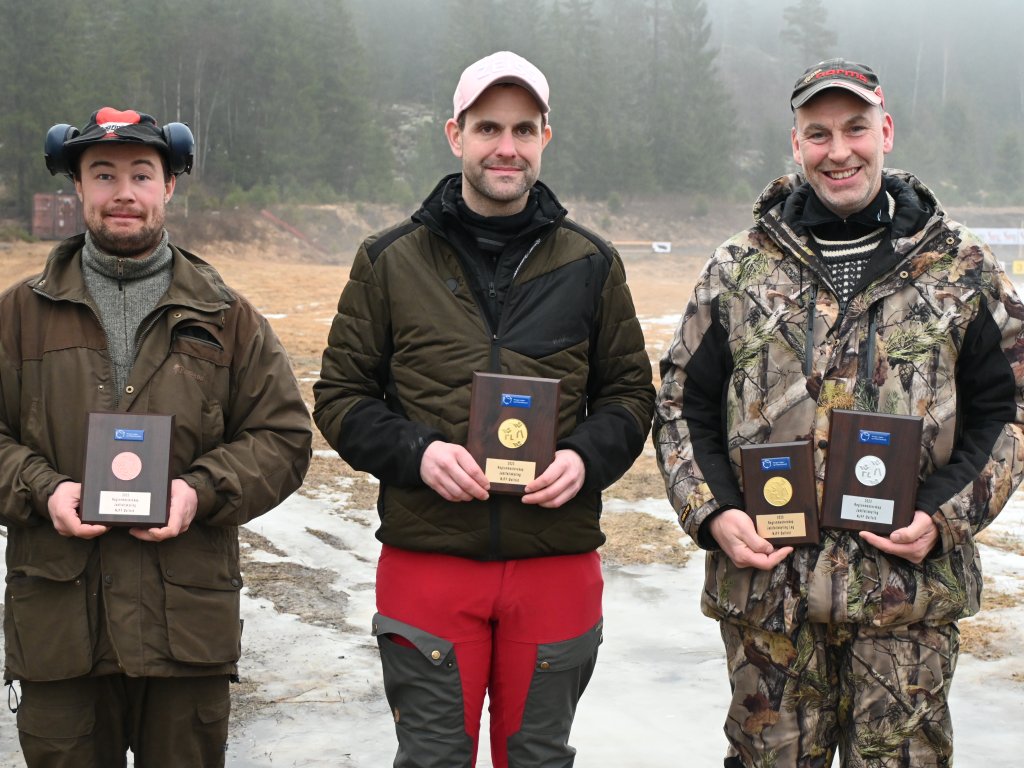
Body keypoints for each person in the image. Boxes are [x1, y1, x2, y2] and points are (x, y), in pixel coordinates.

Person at [654, 59, 1024, 767]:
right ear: (796, 144)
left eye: (855, 128)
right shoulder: (739, 268)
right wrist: (713, 512)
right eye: (817, 133)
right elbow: (679, 405)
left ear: (885, 131)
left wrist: (945, 517)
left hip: (905, 609)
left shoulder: (962, 267)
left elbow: (1010, 409)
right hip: (769, 607)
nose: (838, 150)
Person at [313, 51, 654, 767]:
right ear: (455, 134)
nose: (507, 146)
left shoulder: (593, 263)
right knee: (433, 758)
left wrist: (584, 459)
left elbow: (627, 396)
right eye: (489, 128)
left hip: (554, 563)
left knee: (537, 758)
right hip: (428, 562)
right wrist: (418, 453)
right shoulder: (388, 260)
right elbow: (341, 397)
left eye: (524, 130)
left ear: (544, 140)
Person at [0, 107, 312, 767]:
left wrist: (199, 493)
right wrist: (43, 489)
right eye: (103, 174)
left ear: (168, 187)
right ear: (77, 188)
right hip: (61, 633)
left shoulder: (229, 318)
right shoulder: (17, 316)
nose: (123, 192)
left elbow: (283, 437)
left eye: (142, 174)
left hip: (184, 633)